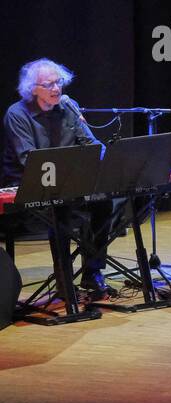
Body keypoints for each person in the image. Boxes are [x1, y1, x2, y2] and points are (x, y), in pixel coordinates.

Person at [2, 58, 115, 298]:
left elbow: (91, 144)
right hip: (28, 184)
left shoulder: (68, 107)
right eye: (48, 84)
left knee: (104, 201)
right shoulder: (17, 114)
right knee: (60, 209)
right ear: (33, 89)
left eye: (59, 82)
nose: (56, 89)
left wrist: (106, 160)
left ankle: (92, 272)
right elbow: (27, 160)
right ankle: (64, 281)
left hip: (69, 181)